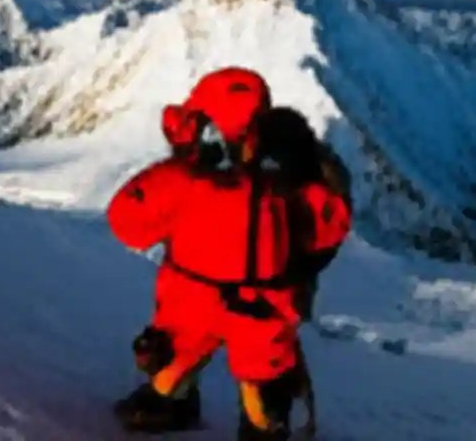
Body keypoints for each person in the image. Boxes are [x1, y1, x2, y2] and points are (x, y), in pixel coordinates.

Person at [108, 68, 351, 440]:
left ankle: (173, 401)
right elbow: (326, 228)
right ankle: (258, 423)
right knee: (262, 377)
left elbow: (127, 222)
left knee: (184, 357)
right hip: (259, 304)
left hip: (195, 301)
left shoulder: (183, 178)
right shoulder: (285, 182)